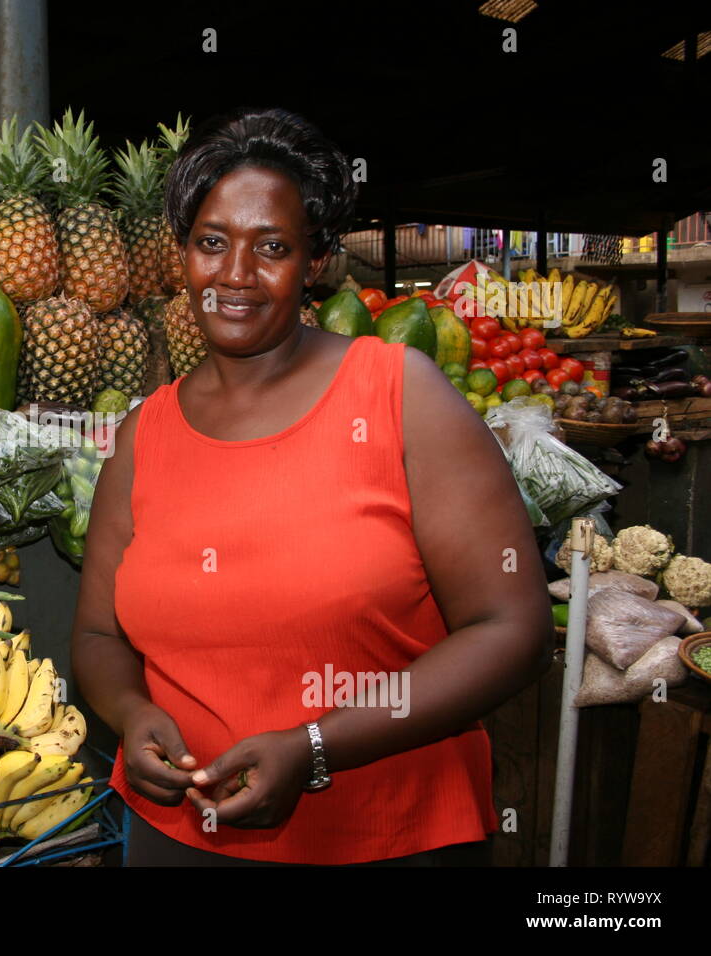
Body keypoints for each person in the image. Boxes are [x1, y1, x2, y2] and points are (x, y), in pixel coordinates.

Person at [70, 107, 554, 866]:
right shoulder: (144, 435)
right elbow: (99, 635)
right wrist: (131, 713)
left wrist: (316, 747)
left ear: (317, 260)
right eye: (210, 243)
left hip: (385, 833)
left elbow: (512, 630)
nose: (234, 275)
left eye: (271, 247)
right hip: (182, 839)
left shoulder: (398, 394)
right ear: (183, 255)